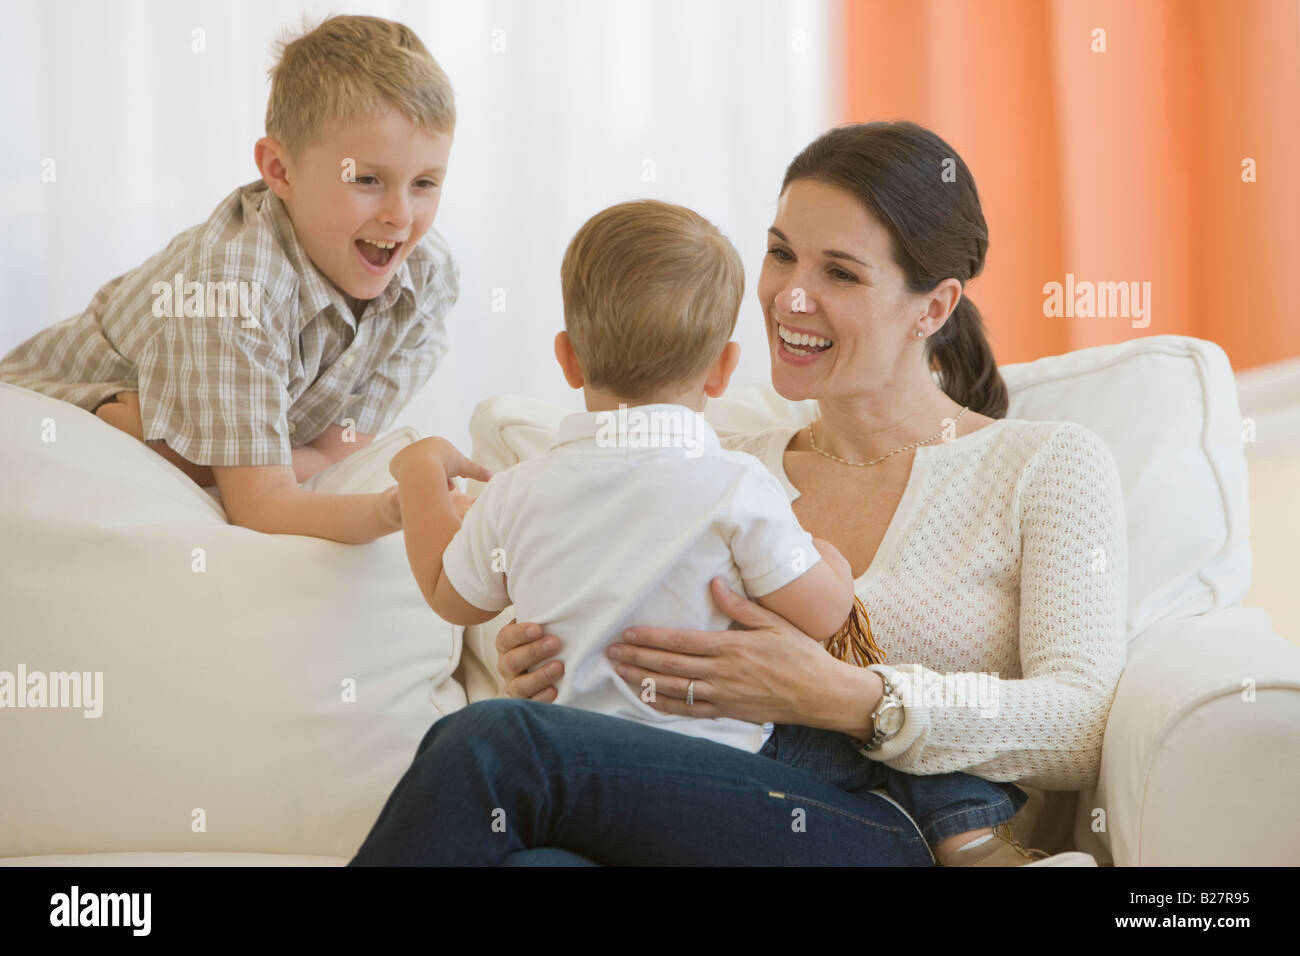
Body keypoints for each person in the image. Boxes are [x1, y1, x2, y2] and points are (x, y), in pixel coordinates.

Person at [349, 121, 1129, 866]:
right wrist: (553, 664)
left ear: (934, 307)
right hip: (681, 815)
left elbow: (1081, 723)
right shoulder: (712, 462)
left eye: (840, 272)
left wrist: (852, 698)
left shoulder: (1045, 464)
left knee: (498, 744)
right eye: (782, 254)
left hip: (873, 829)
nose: (790, 296)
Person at [384, 199, 857, 758]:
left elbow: (450, 594)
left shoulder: (516, 489)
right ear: (723, 370)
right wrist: (831, 560)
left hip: (566, 771)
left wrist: (419, 471)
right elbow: (825, 613)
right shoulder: (738, 486)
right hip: (712, 771)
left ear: (568, 358)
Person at [0, 15, 459, 544]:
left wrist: (199, 461)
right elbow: (262, 506)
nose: (401, 216)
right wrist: (393, 510)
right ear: (280, 171)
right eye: (367, 180)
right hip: (38, 425)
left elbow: (340, 445)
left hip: (180, 430)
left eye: (424, 182)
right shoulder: (230, 292)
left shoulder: (427, 278)